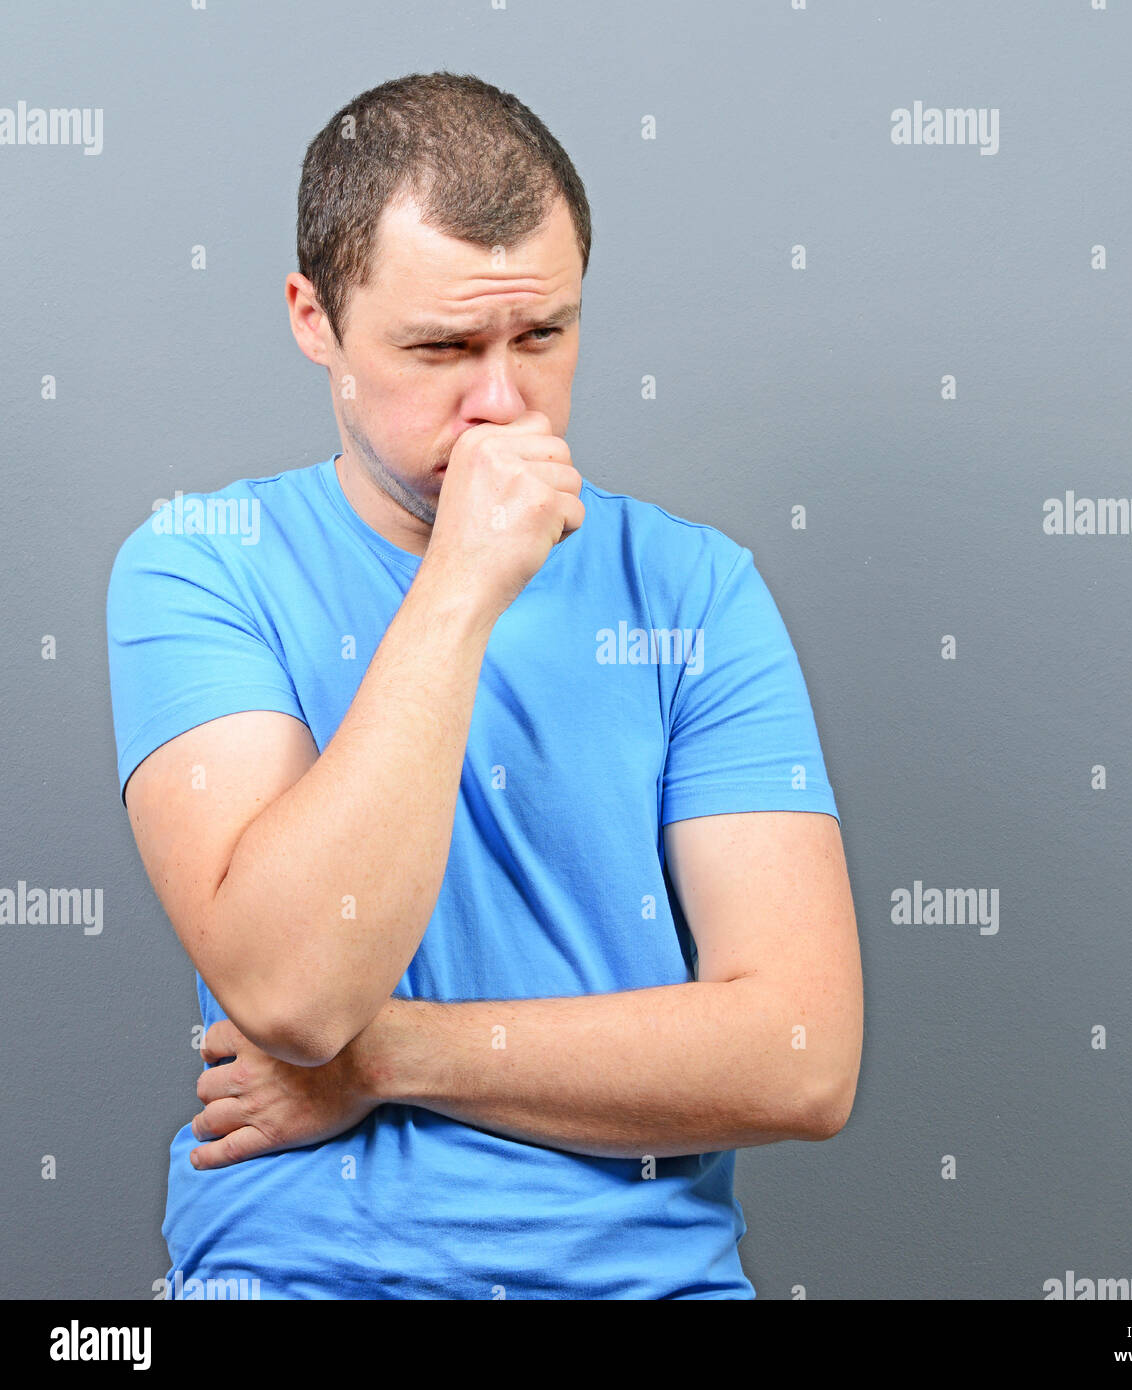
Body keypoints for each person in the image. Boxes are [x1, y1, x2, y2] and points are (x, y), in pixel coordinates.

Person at [106, 70, 862, 1301]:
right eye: (443, 347)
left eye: (544, 336)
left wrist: (384, 1057)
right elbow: (295, 990)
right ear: (314, 320)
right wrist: (460, 584)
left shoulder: (694, 590)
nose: (503, 402)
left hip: (647, 1286)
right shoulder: (201, 562)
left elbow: (802, 1057)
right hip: (301, 1278)